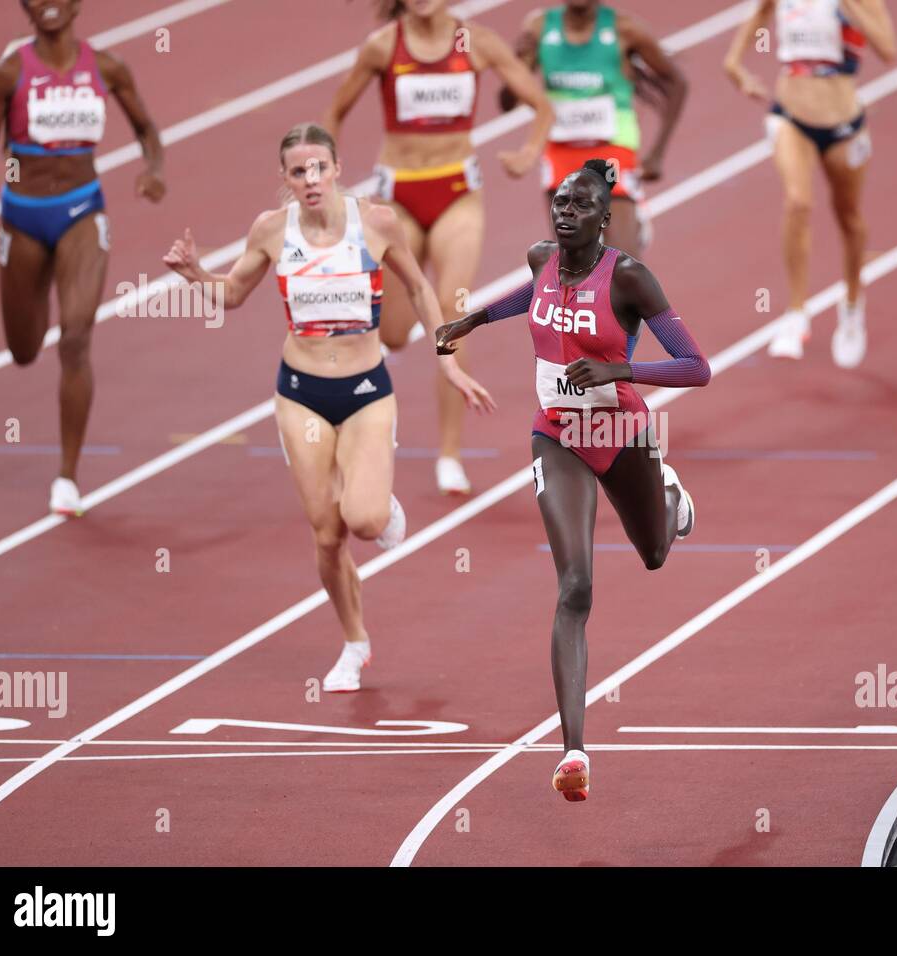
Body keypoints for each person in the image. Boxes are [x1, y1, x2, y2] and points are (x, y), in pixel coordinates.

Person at [163, 123, 493, 692]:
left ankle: (380, 504)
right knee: (325, 535)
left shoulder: (376, 222)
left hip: (366, 389)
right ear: (286, 180)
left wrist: (447, 359)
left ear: (338, 168)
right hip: (300, 393)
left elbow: (418, 288)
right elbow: (234, 294)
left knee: (363, 519)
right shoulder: (271, 230)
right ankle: (354, 642)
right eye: (299, 171)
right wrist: (195, 275)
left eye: (320, 168)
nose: (311, 179)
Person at [434, 160, 710, 800]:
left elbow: (696, 367)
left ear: (603, 219)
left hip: (621, 433)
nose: (564, 212)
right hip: (556, 435)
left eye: (579, 205)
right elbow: (525, 297)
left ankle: (670, 497)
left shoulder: (631, 278)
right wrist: (472, 321)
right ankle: (574, 752)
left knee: (655, 554)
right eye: (559, 202)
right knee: (576, 586)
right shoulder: (541, 260)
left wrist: (621, 373)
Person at [325, 0, 552, 496]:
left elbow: (541, 104)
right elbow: (336, 112)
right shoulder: (384, 46)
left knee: (452, 315)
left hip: (457, 195)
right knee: (398, 332)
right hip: (397, 198)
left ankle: (449, 453)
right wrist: (327, 179)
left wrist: (530, 151)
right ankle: (351, 414)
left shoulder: (478, 43)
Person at [0, 0, 165, 515]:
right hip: (23, 217)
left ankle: (67, 478)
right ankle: (38, 285)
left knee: (76, 340)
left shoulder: (107, 68)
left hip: (81, 212)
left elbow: (148, 130)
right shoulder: (8, 74)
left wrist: (153, 169)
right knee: (26, 349)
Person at [724, 0, 896, 364]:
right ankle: (796, 311)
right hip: (790, 115)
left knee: (848, 217)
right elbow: (758, 13)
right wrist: (735, 64)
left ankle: (851, 304)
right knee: (798, 202)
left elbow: (888, 49)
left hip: (844, 123)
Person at [502, 0, 688, 259]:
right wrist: (517, 63)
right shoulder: (540, 27)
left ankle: (632, 216)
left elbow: (677, 83)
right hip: (560, 154)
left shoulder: (625, 29)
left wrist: (657, 153)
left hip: (612, 150)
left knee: (623, 263)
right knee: (573, 264)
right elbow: (507, 103)